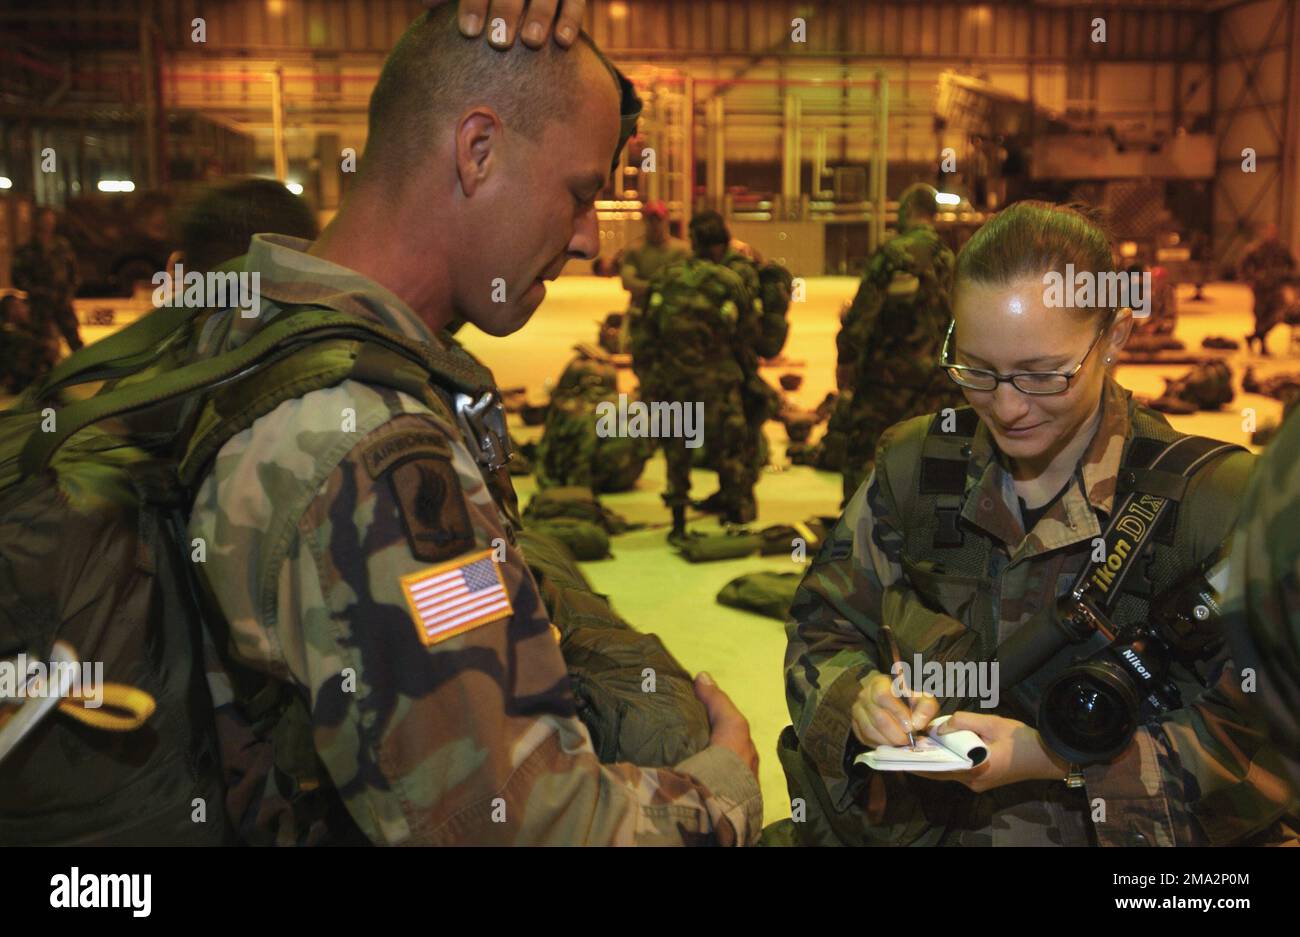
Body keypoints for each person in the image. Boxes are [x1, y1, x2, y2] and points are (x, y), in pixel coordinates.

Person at [187, 6, 760, 846]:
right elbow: (510, 826)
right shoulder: (371, 456)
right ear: (477, 149)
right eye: (579, 194)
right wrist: (723, 789)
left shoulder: (257, 313)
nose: (590, 242)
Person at [782, 200, 1298, 846]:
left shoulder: (1214, 507)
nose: (1006, 406)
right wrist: (859, 699)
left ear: (1114, 338)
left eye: (1043, 374)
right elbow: (822, 625)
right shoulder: (916, 467)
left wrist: (1057, 760)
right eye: (976, 368)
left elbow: (1265, 755)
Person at [630, 214, 759, 535]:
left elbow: (643, 338)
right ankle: (736, 515)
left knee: (677, 449)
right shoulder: (728, 283)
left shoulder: (663, 279)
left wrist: (648, 381)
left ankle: (677, 520)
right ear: (720, 247)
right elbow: (747, 335)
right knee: (728, 446)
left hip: (673, 383)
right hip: (718, 382)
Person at [835, 182, 962, 504]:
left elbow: (863, 316)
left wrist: (847, 357)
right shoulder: (952, 258)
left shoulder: (893, 254)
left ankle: (860, 535)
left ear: (907, 211)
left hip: (887, 383)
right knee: (927, 460)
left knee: (867, 457)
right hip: (939, 383)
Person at [686, 210, 791, 514]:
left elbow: (742, 322)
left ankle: (742, 502)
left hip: (737, 366)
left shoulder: (736, 273)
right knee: (724, 435)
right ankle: (728, 493)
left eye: (695, 241)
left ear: (710, 244)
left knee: (737, 435)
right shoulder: (722, 268)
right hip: (723, 366)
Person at [11, 207, 83, 356]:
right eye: (44, 220)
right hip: (40, 305)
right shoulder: (27, 250)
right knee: (41, 344)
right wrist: (36, 291)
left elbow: (73, 272)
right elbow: (17, 277)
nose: (48, 224)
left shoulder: (62, 246)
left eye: (50, 220)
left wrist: (69, 291)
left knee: (75, 341)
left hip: (63, 302)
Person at [618, 199, 690, 314]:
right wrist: (657, 288)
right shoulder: (634, 250)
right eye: (651, 220)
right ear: (644, 221)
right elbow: (627, 281)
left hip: (674, 312)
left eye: (659, 220)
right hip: (642, 311)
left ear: (666, 219)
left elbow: (688, 281)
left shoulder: (682, 250)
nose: (655, 224)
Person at [1239, 222, 1297, 355]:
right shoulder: (1255, 249)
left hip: (1276, 288)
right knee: (1260, 315)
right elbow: (1243, 266)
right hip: (1261, 288)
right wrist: (1249, 280)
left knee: (1276, 316)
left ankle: (1254, 337)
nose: (1271, 234)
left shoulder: (1281, 249)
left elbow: (1292, 265)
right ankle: (1261, 344)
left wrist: (1288, 280)